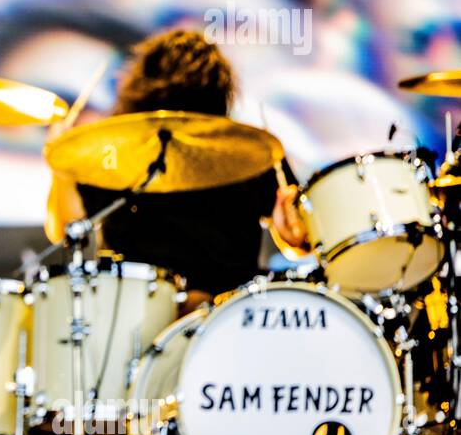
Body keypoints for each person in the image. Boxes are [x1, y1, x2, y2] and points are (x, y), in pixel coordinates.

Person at [45, 28, 308, 300]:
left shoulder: (250, 151)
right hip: (145, 311)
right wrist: (61, 163)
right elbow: (68, 230)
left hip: (223, 312)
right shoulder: (114, 150)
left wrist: (296, 237)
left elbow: (300, 240)